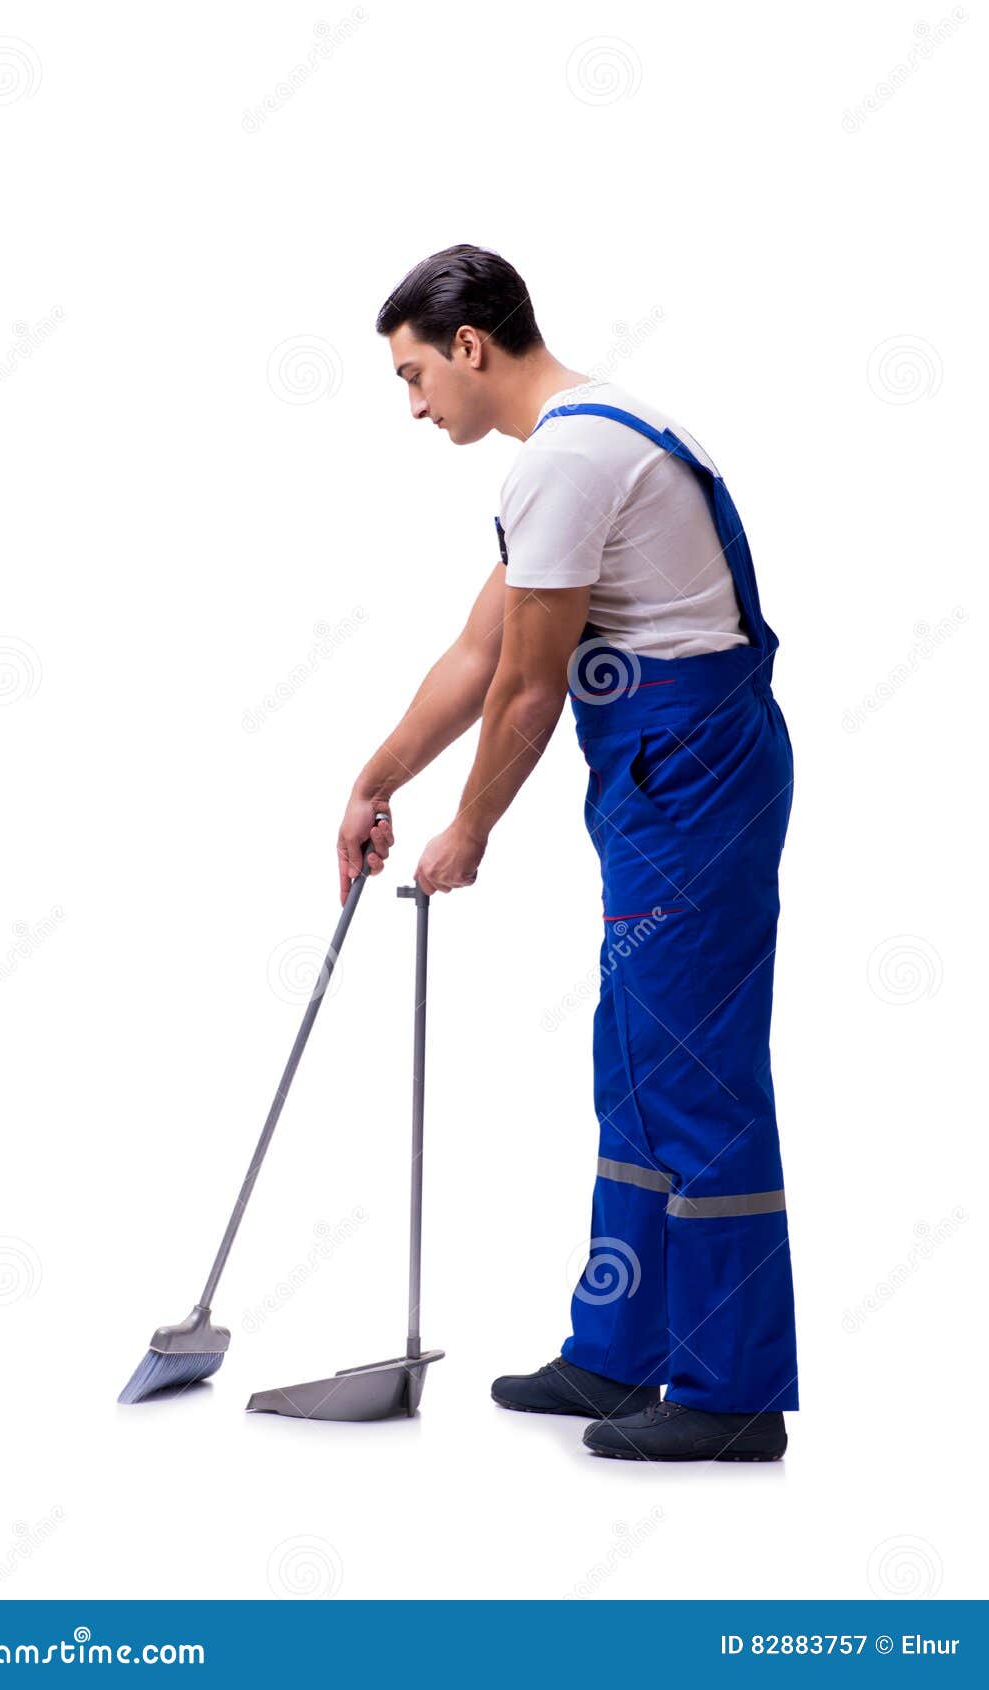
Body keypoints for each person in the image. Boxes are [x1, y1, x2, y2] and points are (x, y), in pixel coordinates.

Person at [337, 244, 798, 1463]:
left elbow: (535, 689)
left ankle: (734, 1391)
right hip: (673, 767)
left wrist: (470, 831)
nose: (415, 401)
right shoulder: (587, 439)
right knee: (640, 1061)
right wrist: (377, 781)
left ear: (469, 346)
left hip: (688, 768)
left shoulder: (569, 456)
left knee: (693, 1070)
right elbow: (478, 656)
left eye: (414, 372)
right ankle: (618, 1355)